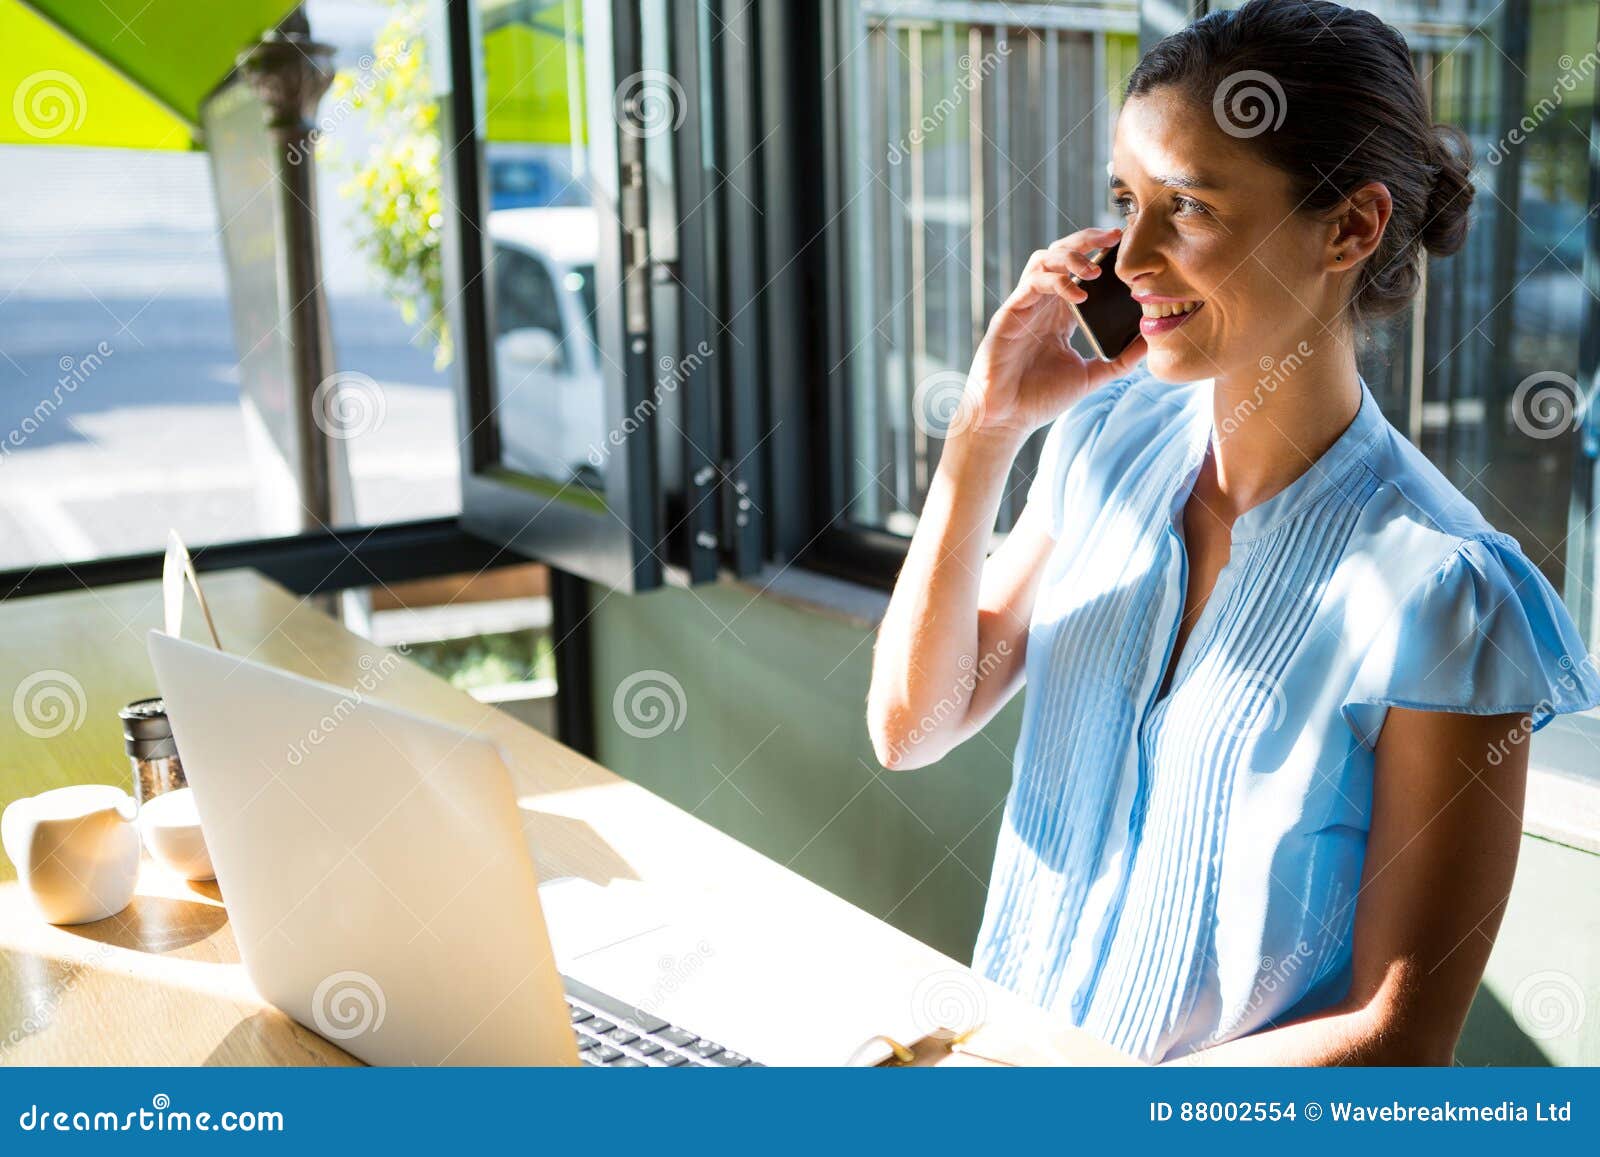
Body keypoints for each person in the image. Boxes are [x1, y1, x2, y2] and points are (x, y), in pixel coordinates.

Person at [866, 0, 1600, 1065]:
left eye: (1190, 209)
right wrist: (984, 431)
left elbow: (1396, 1036)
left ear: (1347, 229)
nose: (1132, 258)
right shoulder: (1102, 450)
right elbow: (910, 726)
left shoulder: (1442, 591)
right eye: (1127, 201)